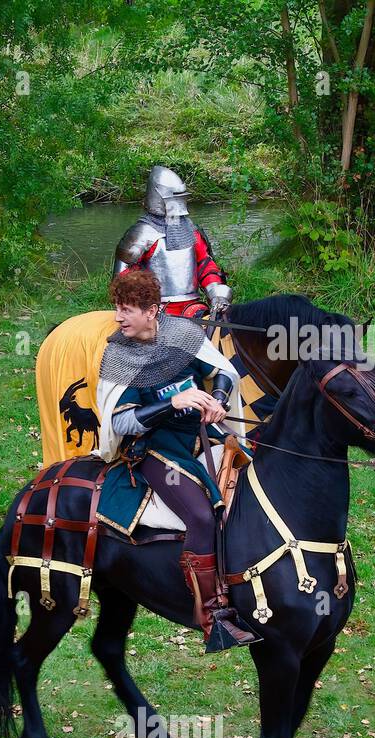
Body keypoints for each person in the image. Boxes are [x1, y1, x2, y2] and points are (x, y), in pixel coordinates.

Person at [99, 269, 258, 651]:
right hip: (155, 447)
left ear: (152, 311)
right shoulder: (119, 354)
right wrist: (172, 402)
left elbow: (221, 371)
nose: (118, 318)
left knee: (255, 478)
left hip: (203, 435)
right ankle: (213, 615)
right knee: (202, 515)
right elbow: (119, 421)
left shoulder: (181, 335)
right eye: (117, 309)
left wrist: (217, 400)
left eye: (126, 310)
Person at [112, 166, 232, 319]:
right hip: (154, 309)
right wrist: (145, 304)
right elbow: (122, 279)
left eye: (180, 195)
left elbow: (205, 266)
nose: (178, 200)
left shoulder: (191, 230)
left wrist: (217, 295)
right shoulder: (141, 234)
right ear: (158, 196)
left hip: (192, 307)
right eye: (174, 195)